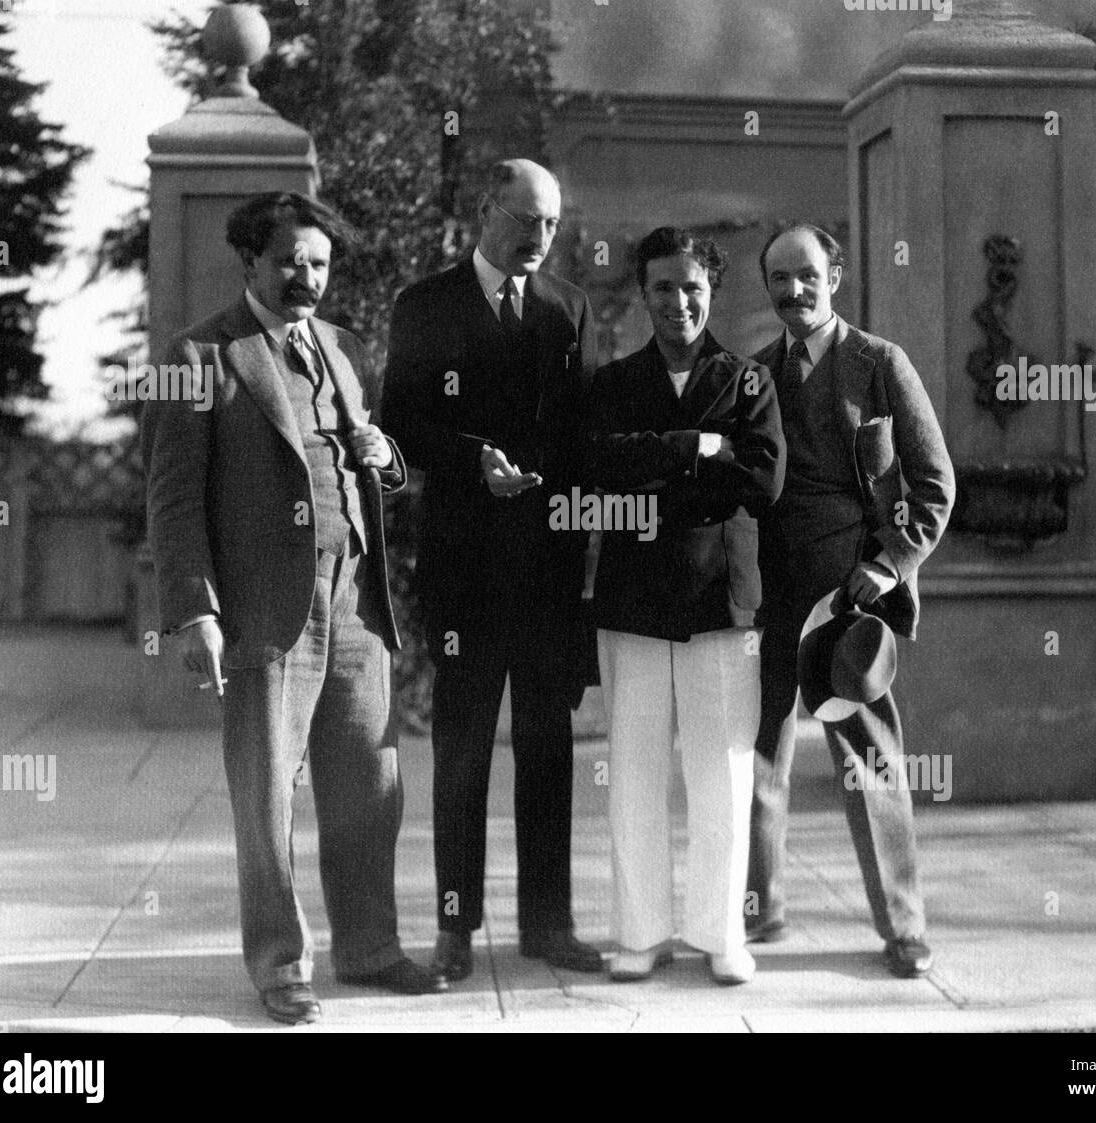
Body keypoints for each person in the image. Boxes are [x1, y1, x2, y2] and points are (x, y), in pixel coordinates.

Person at [142, 192, 445, 1026]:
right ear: (251, 261)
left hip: (354, 602)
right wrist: (194, 613)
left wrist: (385, 458)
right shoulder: (198, 355)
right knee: (266, 795)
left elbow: (365, 461)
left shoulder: (344, 349)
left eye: (318, 262)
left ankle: (371, 949)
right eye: (289, 262)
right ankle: (280, 966)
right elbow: (171, 502)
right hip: (262, 609)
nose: (306, 277)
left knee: (369, 785)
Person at [381, 159, 602, 982]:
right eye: (526, 221)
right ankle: (454, 928)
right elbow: (397, 426)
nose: (540, 239)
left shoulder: (568, 307)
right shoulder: (427, 306)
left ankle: (549, 922)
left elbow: (579, 440)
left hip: (547, 571)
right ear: (486, 212)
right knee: (463, 751)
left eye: (551, 225)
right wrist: (474, 460)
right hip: (465, 571)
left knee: (548, 750)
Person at [747, 222, 955, 978]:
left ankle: (904, 927)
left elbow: (935, 484)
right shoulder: (755, 373)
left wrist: (892, 564)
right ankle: (756, 912)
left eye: (807, 274)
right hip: (772, 596)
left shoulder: (879, 364)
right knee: (760, 755)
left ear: (835, 275)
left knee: (871, 762)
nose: (793, 290)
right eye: (778, 278)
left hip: (851, 606)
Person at [584, 227, 784, 985]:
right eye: (663, 287)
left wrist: (672, 461)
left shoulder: (748, 382)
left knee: (722, 776)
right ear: (644, 293)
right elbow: (602, 466)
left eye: (692, 286)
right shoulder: (614, 382)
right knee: (632, 771)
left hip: (719, 602)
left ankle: (720, 931)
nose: (678, 301)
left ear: (713, 290)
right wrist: (692, 449)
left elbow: (762, 481)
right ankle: (639, 933)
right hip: (635, 602)